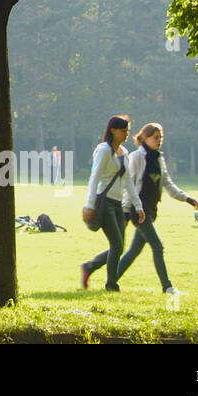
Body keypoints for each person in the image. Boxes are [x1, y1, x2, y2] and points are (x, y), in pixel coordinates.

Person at [113, 123, 198, 296]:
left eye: (161, 138)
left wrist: (187, 199)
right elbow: (128, 185)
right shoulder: (137, 157)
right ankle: (167, 287)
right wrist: (126, 211)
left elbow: (167, 183)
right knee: (158, 247)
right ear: (145, 138)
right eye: (155, 137)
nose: (159, 141)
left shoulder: (159, 158)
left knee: (134, 251)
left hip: (151, 211)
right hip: (138, 212)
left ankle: (111, 281)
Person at [80, 114, 145, 292]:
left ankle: (90, 267)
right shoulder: (104, 150)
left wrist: (138, 205)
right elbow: (94, 177)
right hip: (104, 202)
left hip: (117, 204)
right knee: (117, 245)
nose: (126, 135)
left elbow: (128, 182)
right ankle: (111, 284)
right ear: (113, 130)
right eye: (123, 131)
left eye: (127, 131)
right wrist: (89, 204)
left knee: (118, 246)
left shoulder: (124, 154)